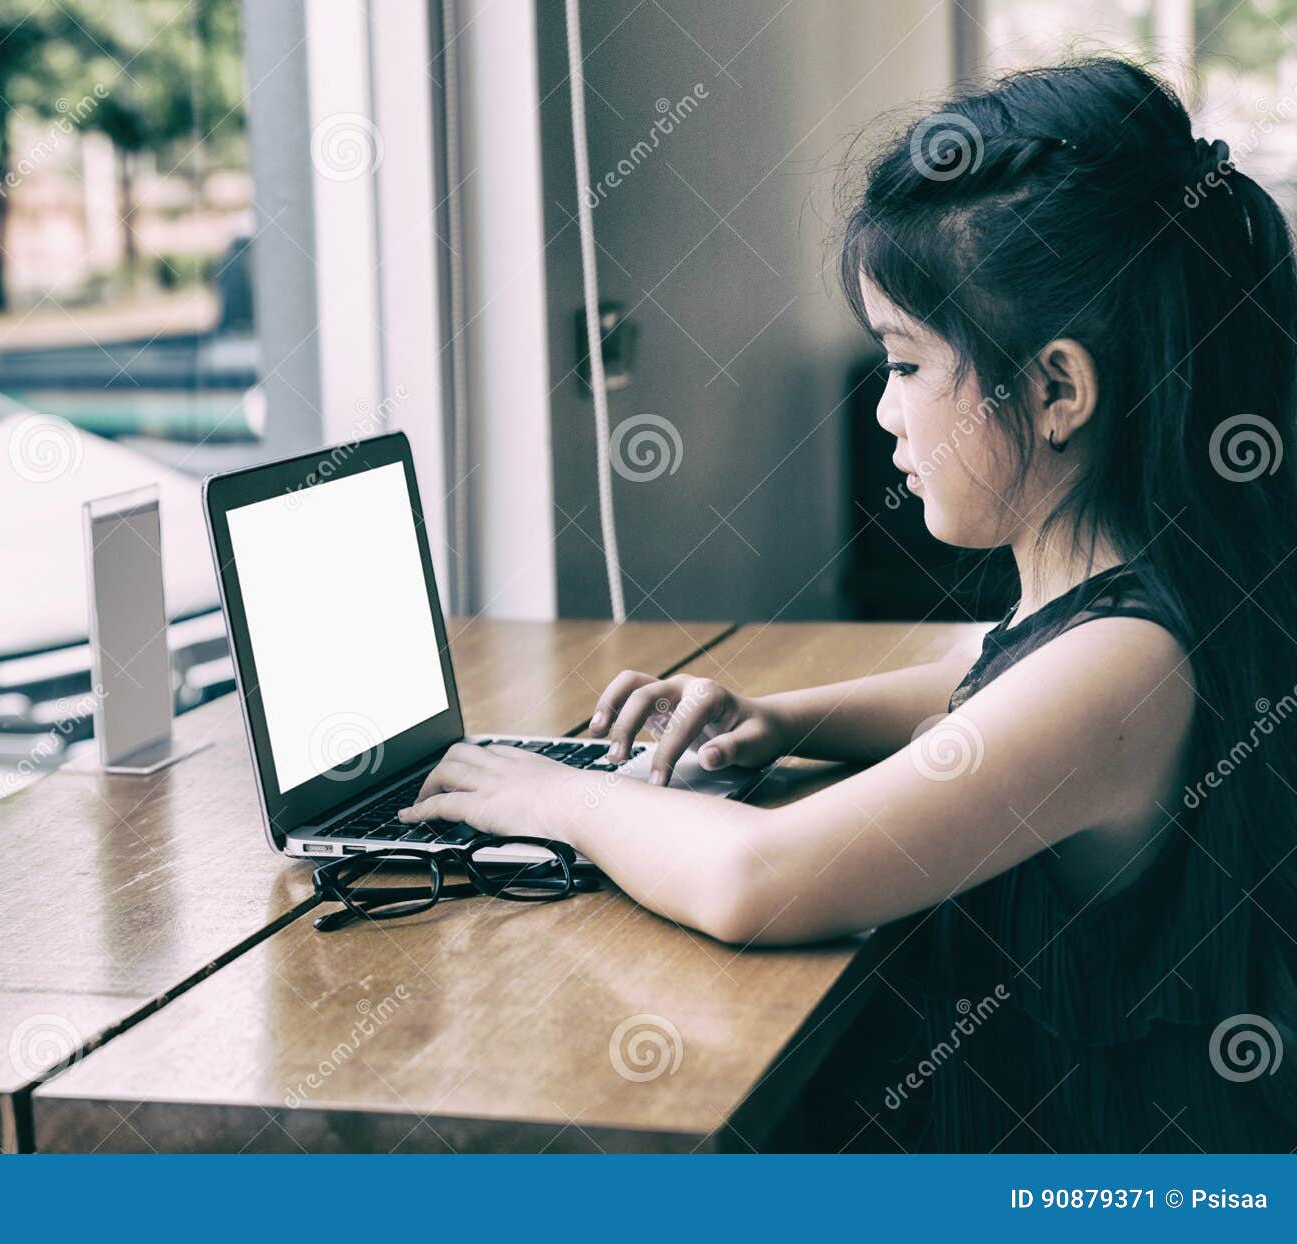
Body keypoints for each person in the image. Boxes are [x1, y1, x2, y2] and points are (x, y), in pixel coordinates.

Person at [399, 58, 1297, 1151]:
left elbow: (755, 880)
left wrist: (553, 796)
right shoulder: (1131, 601)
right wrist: (785, 716)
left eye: (907, 364)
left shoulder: (1123, 671)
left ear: (1059, 390)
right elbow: (989, 689)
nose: (883, 412)